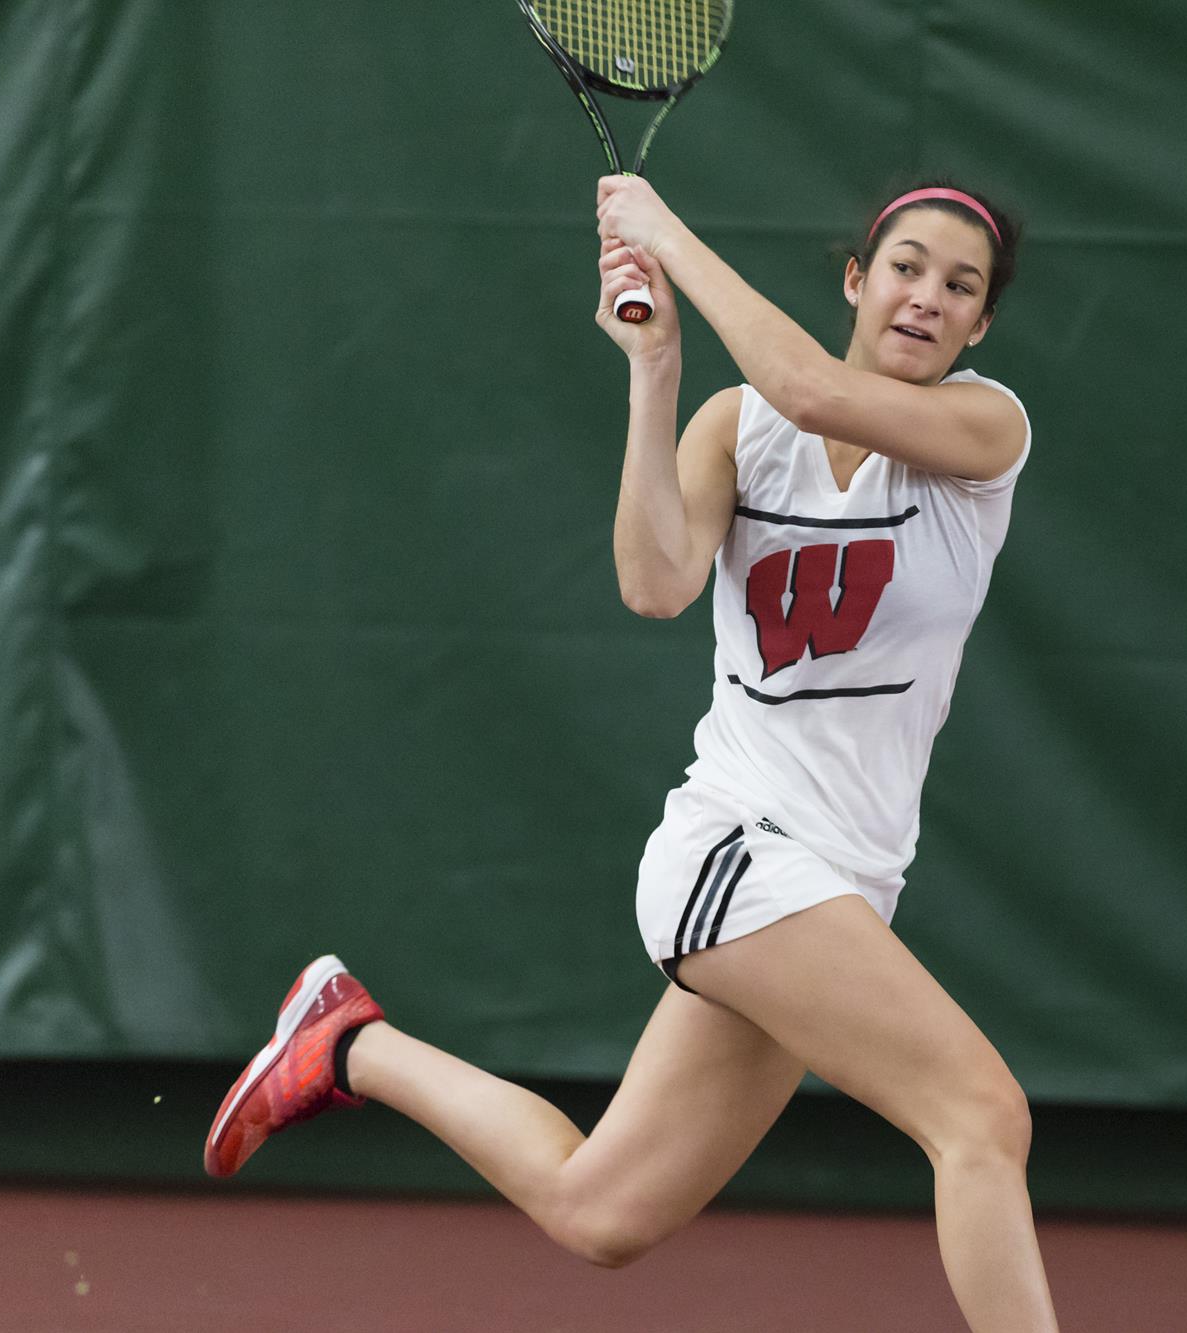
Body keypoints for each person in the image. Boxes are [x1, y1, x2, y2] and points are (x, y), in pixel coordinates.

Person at [204, 175, 1057, 1332]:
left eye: (960, 286)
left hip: (844, 877)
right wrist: (653, 376)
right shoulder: (737, 426)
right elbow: (655, 584)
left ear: (979, 326)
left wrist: (668, 237)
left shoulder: (982, 429)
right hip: (739, 852)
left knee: (599, 1210)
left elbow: (810, 385)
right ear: (856, 281)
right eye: (905, 266)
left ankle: (348, 1045)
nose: (927, 296)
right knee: (980, 1116)